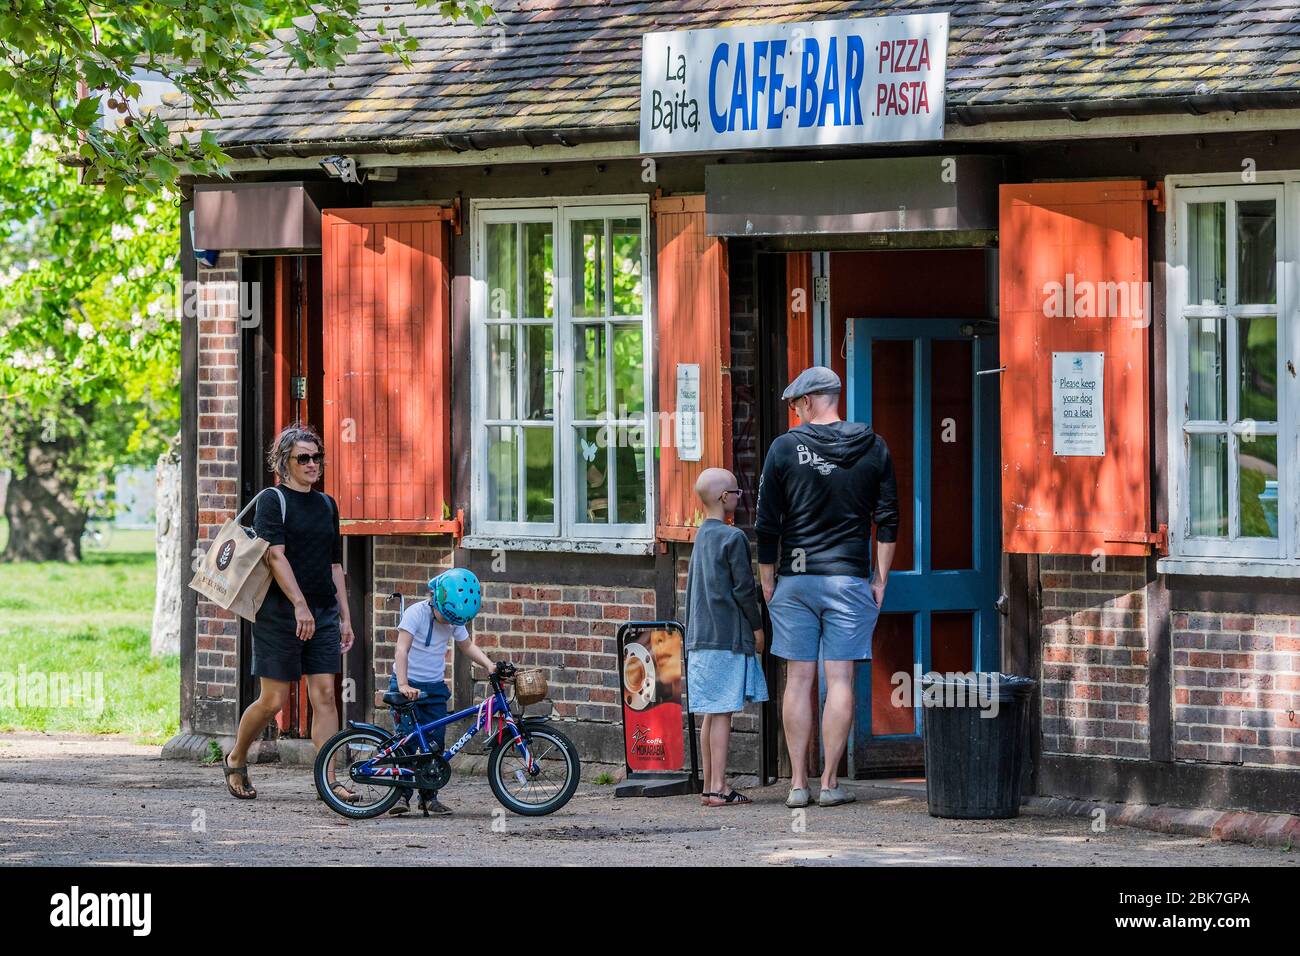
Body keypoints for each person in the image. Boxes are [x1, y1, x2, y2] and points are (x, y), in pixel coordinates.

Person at [754, 366, 898, 809]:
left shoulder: (783, 449)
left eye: (797, 404)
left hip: (795, 581)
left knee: (797, 679)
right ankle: (831, 782)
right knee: (839, 679)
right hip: (849, 579)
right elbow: (889, 520)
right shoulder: (874, 448)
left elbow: (766, 525)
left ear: (812, 400)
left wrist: (768, 584)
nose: (795, 412)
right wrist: (879, 580)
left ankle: (798, 783)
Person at [222, 422, 357, 803]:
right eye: (304, 458)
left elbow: (334, 566)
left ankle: (328, 781)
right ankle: (236, 756)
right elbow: (274, 556)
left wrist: (345, 617)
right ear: (285, 463)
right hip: (279, 613)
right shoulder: (272, 500)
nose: (313, 464)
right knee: (274, 700)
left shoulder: (328, 504)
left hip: (323, 611)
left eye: (317, 457)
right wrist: (299, 606)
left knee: (326, 696)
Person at [684, 467, 768, 807]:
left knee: (709, 713)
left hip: (700, 638)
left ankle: (709, 785)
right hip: (725, 637)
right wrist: (758, 627)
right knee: (723, 714)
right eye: (735, 491)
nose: (739, 496)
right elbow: (744, 591)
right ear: (723, 497)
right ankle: (719, 787)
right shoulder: (733, 539)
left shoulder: (701, 536)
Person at [389, 567, 496, 816]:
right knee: (406, 743)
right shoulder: (415, 613)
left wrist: (489, 664)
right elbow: (401, 650)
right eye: (446, 616)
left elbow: (466, 645)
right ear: (436, 600)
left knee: (435, 744)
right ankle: (400, 797)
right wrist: (403, 685)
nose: (449, 623)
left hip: (435, 689)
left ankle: (429, 797)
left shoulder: (453, 618)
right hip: (407, 685)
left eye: (454, 620)